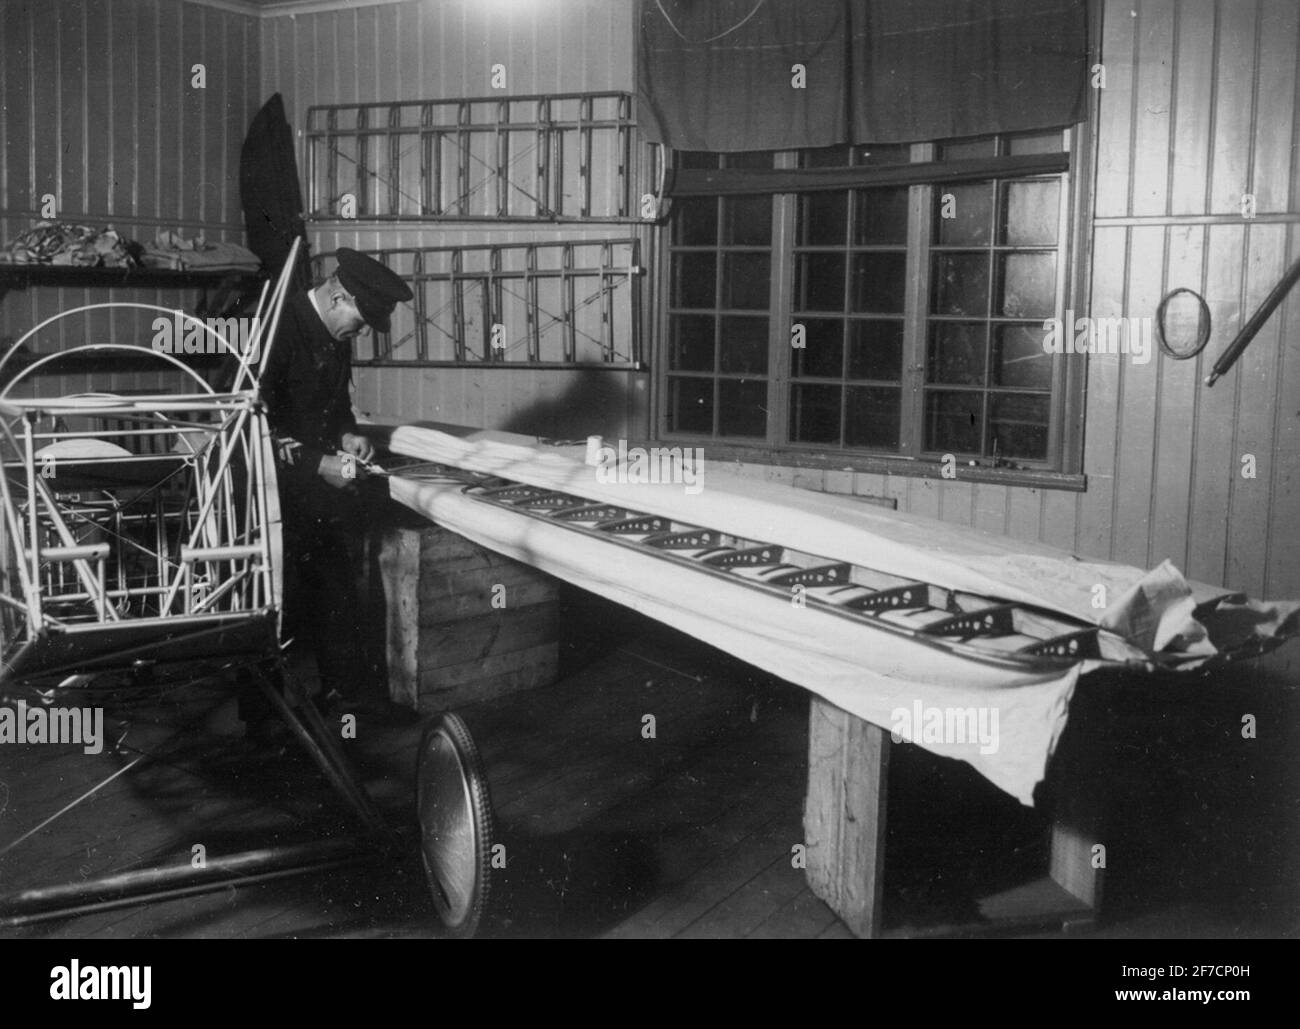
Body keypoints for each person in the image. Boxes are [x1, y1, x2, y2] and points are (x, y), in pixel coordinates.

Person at [240, 248, 413, 736]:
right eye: (359, 324)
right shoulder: (273, 328)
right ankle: (266, 723)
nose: (358, 335)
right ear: (337, 295)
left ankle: (343, 701)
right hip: (264, 490)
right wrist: (319, 462)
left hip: (314, 486)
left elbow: (335, 407)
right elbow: (250, 428)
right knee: (275, 601)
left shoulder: (335, 333)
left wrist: (348, 435)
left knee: (338, 585)